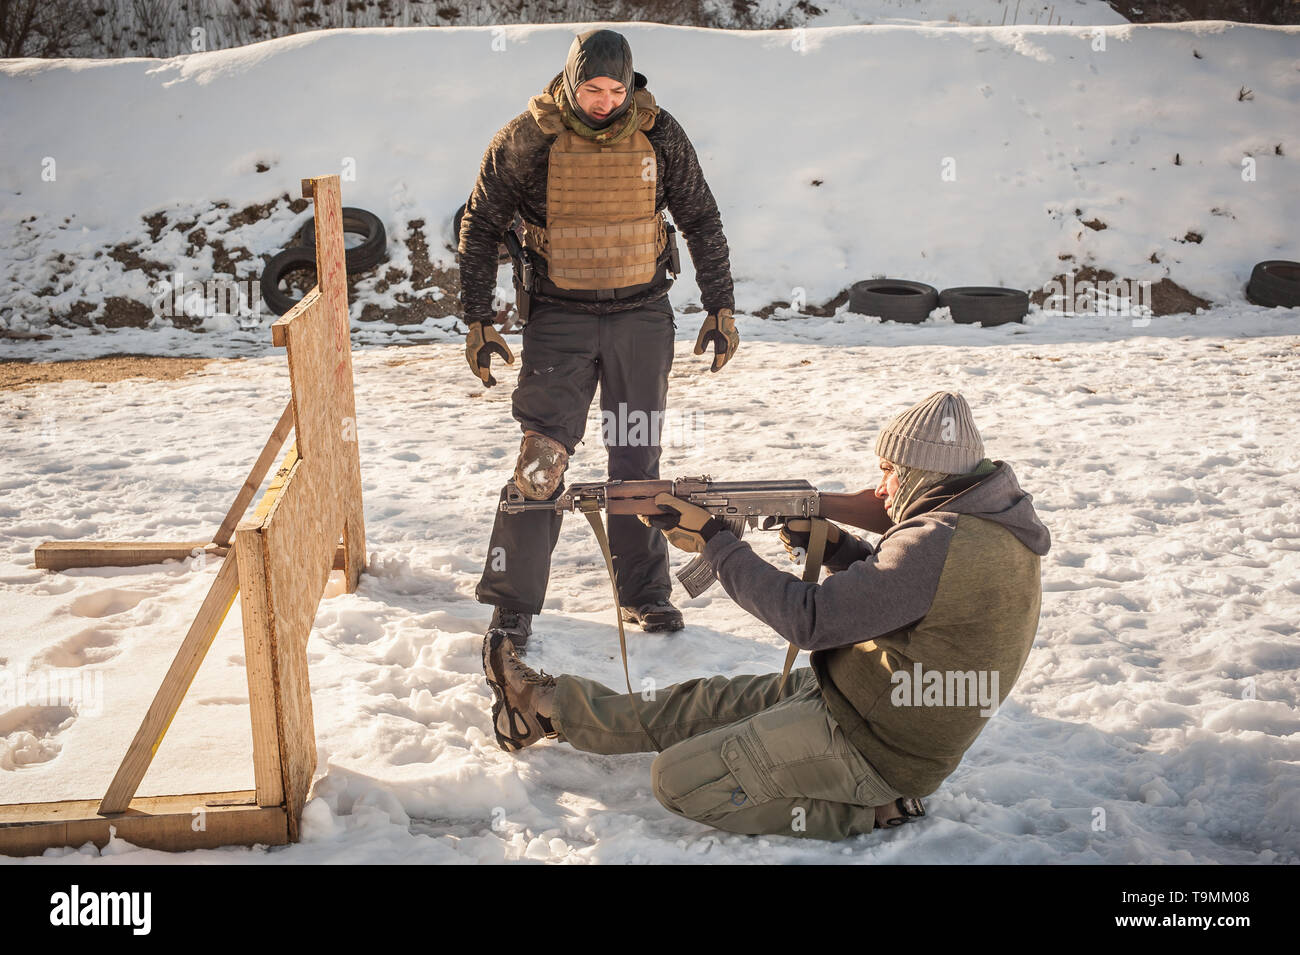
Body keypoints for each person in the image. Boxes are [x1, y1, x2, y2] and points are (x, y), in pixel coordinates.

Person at [482, 392, 1052, 840]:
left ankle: (870, 814)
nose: (880, 488)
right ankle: (543, 709)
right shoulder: (986, 523)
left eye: (890, 474)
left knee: (679, 780)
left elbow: (811, 621)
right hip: (862, 696)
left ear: (926, 475)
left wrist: (716, 544)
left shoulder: (939, 541)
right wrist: (833, 548)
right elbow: (902, 599)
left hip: (879, 750)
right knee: (697, 704)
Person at [459, 28, 739, 650]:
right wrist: (477, 318)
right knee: (541, 461)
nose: (605, 101)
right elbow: (480, 221)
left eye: (616, 89)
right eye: (592, 88)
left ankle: (644, 594)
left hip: (642, 318)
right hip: (559, 319)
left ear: (631, 83)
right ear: (569, 81)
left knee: (636, 458)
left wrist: (720, 305)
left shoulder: (660, 132)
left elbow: (700, 216)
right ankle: (511, 604)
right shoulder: (529, 137)